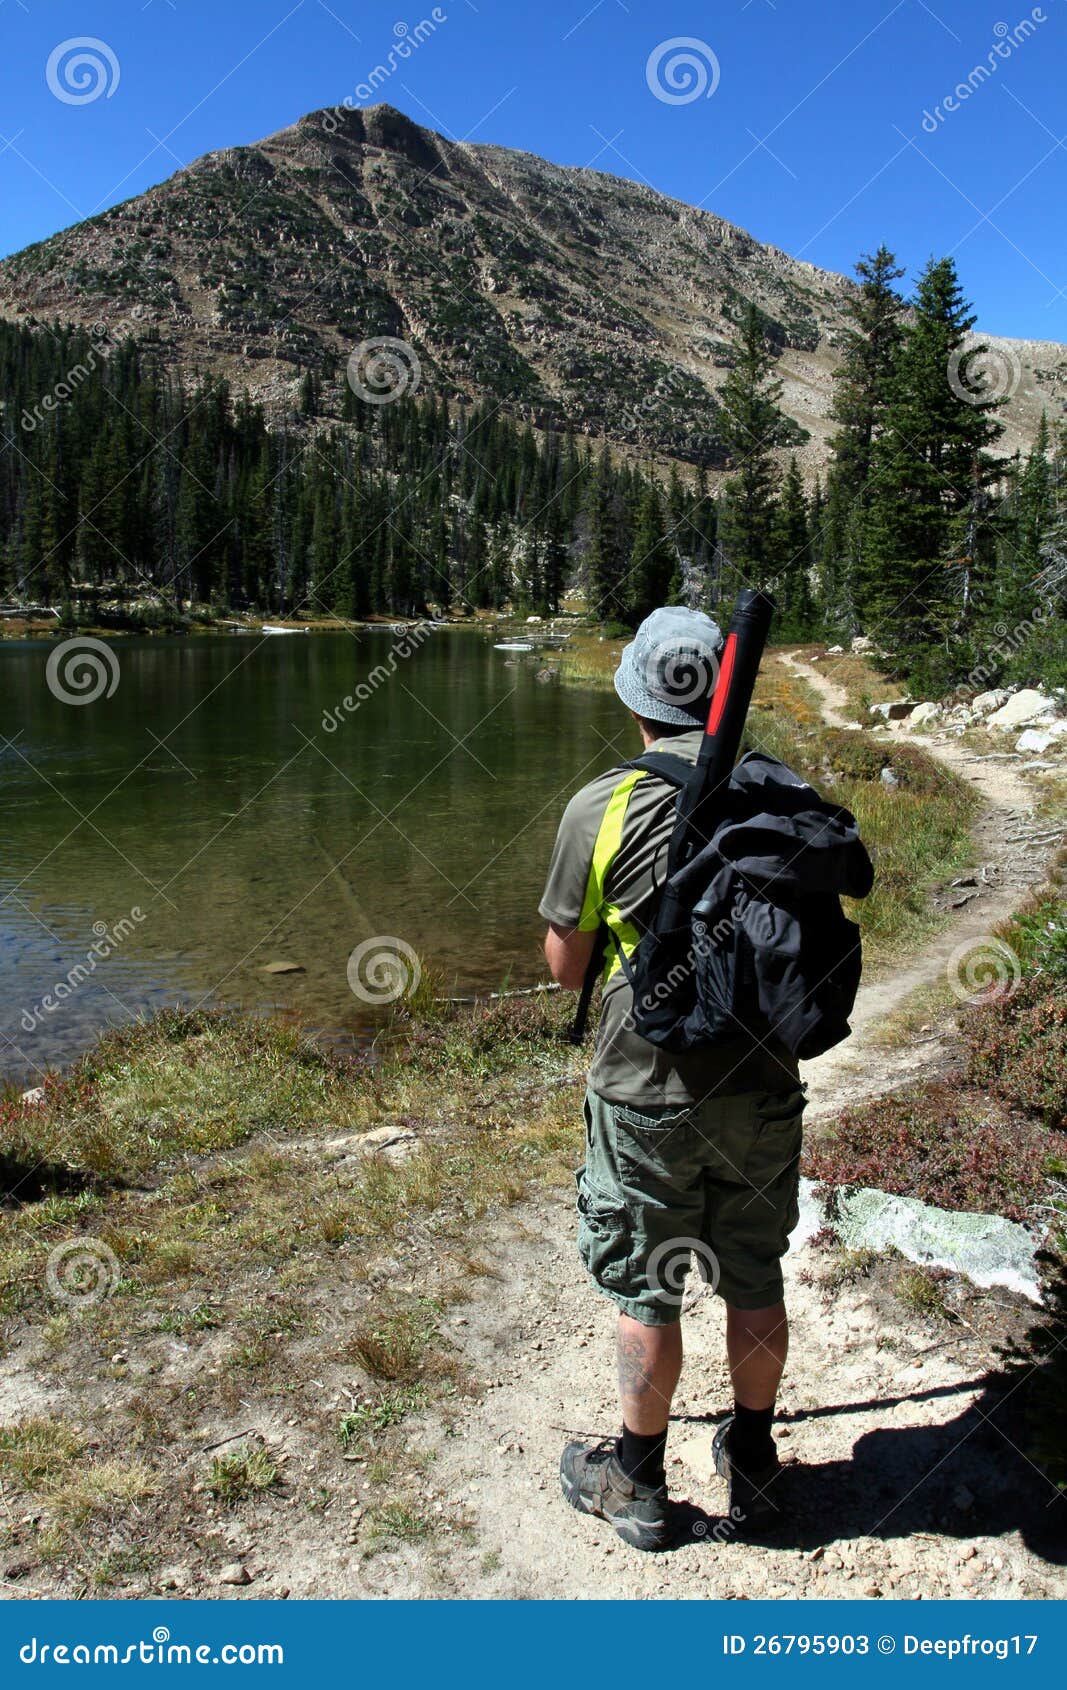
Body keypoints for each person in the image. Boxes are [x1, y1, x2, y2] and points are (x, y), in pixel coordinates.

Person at [539, 606, 806, 1552]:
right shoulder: (773, 790)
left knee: (647, 1288)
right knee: (752, 1272)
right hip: (764, 1078)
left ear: (637, 700)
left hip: (642, 1087)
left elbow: (565, 969)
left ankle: (639, 1483)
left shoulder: (600, 805)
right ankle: (757, 1466)